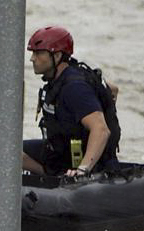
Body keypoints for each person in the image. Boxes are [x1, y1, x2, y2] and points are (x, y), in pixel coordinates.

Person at [21, 26, 122, 177]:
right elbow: (112, 89)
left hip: (82, 162)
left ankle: (52, 177)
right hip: (61, 150)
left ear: (57, 56)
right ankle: (49, 175)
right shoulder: (65, 77)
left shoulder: (75, 88)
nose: (32, 58)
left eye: (39, 53)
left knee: (12, 155)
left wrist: (83, 169)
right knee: (8, 151)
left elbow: (101, 130)